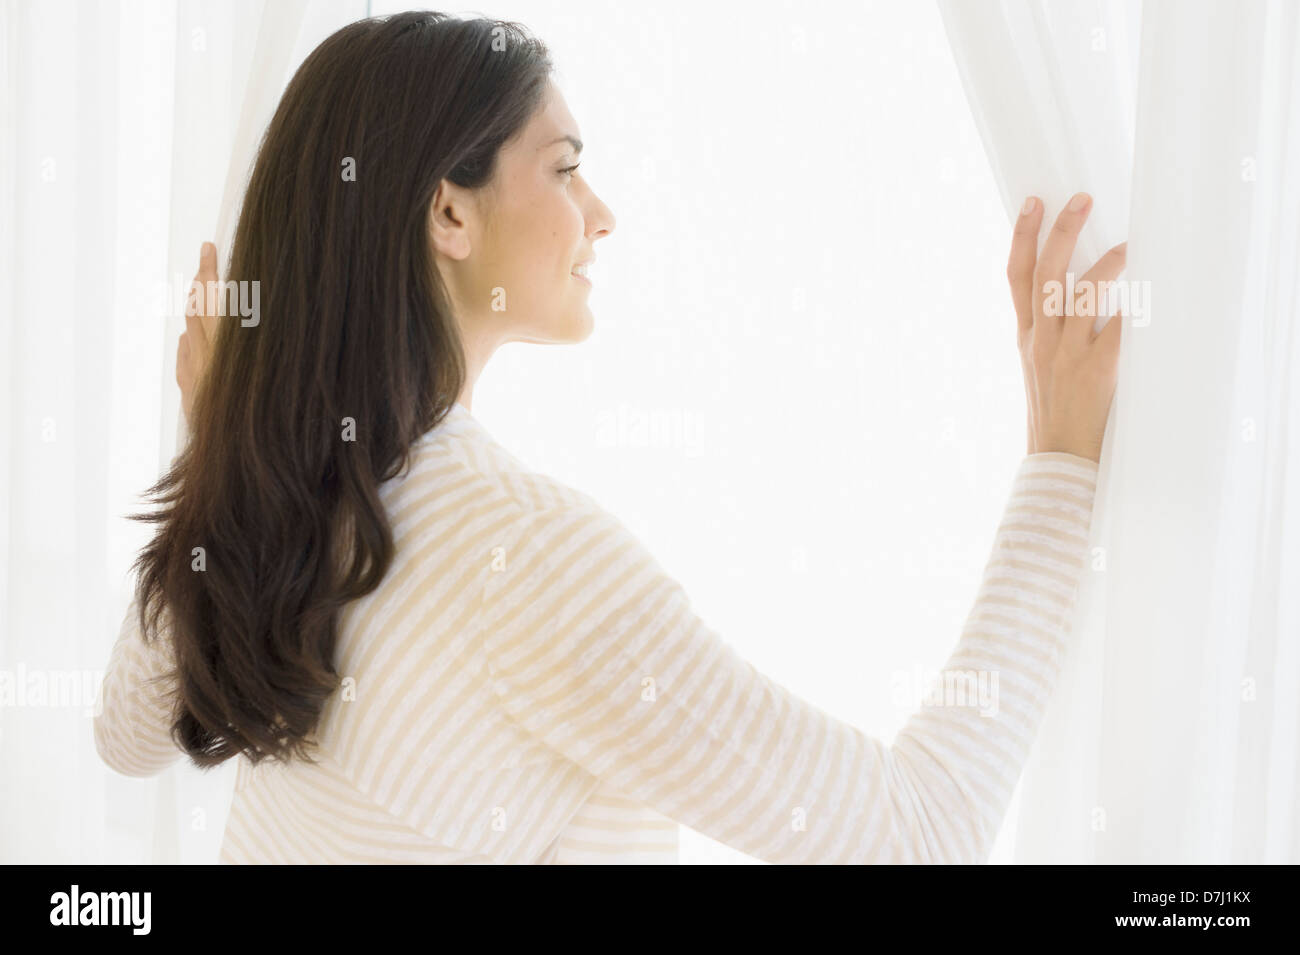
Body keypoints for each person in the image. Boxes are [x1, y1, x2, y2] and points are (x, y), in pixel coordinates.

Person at [94, 11, 1124, 864]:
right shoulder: (523, 560)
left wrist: (213, 440)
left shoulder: (290, 499)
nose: (601, 213)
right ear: (448, 214)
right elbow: (917, 833)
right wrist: (1062, 463)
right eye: (564, 168)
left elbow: (125, 736)